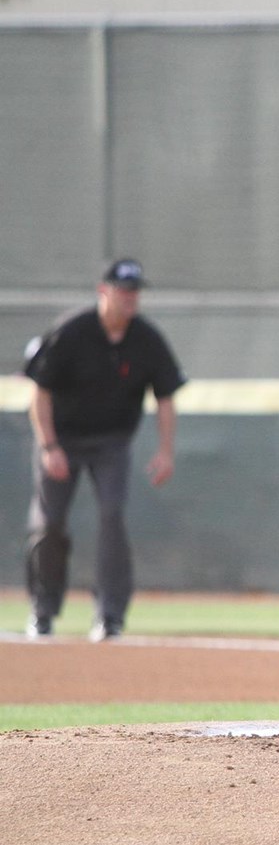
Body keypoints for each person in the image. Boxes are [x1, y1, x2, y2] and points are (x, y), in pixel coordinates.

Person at [22, 258, 186, 641]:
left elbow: (165, 398)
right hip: (61, 438)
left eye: (135, 292)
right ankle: (42, 611)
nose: (130, 299)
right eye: (123, 291)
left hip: (111, 442)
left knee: (112, 517)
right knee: (48, 524)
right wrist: (49, 446)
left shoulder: (145, 339)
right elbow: (39, 393)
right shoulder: (71, 331)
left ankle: (110, 615)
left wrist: (166, 451)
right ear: (103, 291)